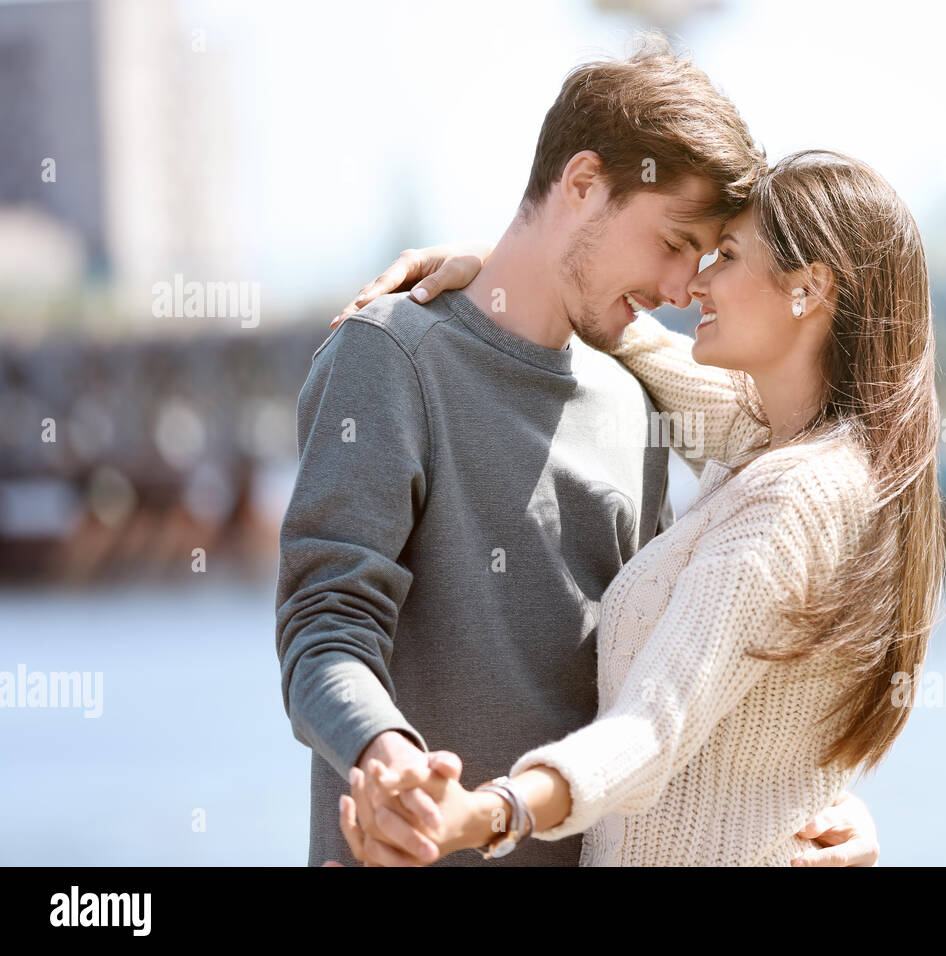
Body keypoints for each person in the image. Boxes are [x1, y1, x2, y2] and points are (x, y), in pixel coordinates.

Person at [276, 37, 880, 867]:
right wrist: (387, 759)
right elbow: (324, 625)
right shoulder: (389, 357)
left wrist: (815, 810)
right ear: (584, 183)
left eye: (703, 259)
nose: (679, 290)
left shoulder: (637, 403)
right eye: (673, 243)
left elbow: (669, 692)